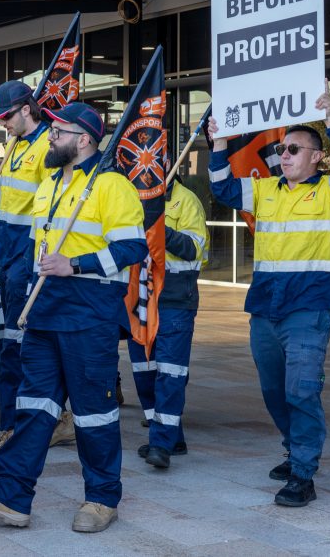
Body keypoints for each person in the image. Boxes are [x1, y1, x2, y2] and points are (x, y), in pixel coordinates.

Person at [0, 102, 147, 534]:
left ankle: (102, 498)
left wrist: (76, 264)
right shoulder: (46, 184)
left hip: (89, 313)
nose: (50, 137)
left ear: (84, 140)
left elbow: (132, 248)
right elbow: (35, 249)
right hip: (43, 313)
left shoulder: (110, 185)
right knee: (33, 406)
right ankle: (11, 497)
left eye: (59, 132)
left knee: (92, 414)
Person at [207, 83, 330, 507]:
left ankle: (303, 473)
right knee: (274, 391)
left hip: (309, 309)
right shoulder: (265, 190)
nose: (284, 155)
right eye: (282, 149)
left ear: (315, 156)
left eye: (294, 149)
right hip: (266, 308)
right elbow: (221, 189)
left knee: (301, 390)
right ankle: (294, 448)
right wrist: (219, 144)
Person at [0, 80, 71, 470]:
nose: (3, 125)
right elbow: (17, 201)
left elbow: (47, 208)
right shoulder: (14, 145)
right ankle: (7, 413)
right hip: (7, 248)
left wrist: (35, 257)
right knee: (6, 342)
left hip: (29, 256)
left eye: (7, 117)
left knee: (18, 344)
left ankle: (16, 428)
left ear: (27, 109)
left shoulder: (48, 147)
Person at [129, 176, 208, 469]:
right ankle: (168, 436)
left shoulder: (186, 200)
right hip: (139, 299)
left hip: (175, 298)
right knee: (144, 370)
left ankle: (161, 443)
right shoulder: (129, 194)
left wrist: (157, 224)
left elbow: (192, 249)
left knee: (170, 373)